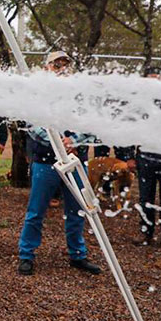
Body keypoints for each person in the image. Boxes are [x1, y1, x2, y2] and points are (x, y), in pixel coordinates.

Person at [17, 51, 101, 276]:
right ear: (46, 68)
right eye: (56, 65)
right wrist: (57, 142)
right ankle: (26, 255)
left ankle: (77, 255)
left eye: (65, 65)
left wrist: (74, 140)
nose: (61, 69)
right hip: (46, 162)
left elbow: (92, 124)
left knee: (78, 211)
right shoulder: (37, 95)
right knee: (36, 211)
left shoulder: (80, 96)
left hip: (76, 161)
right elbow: (32, 126)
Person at [133, 66, 161, 247]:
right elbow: (128, 129)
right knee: (145, 198)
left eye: (157, 80)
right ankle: (146, 233)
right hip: (145, 158)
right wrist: (129, 156)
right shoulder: (140, 103)